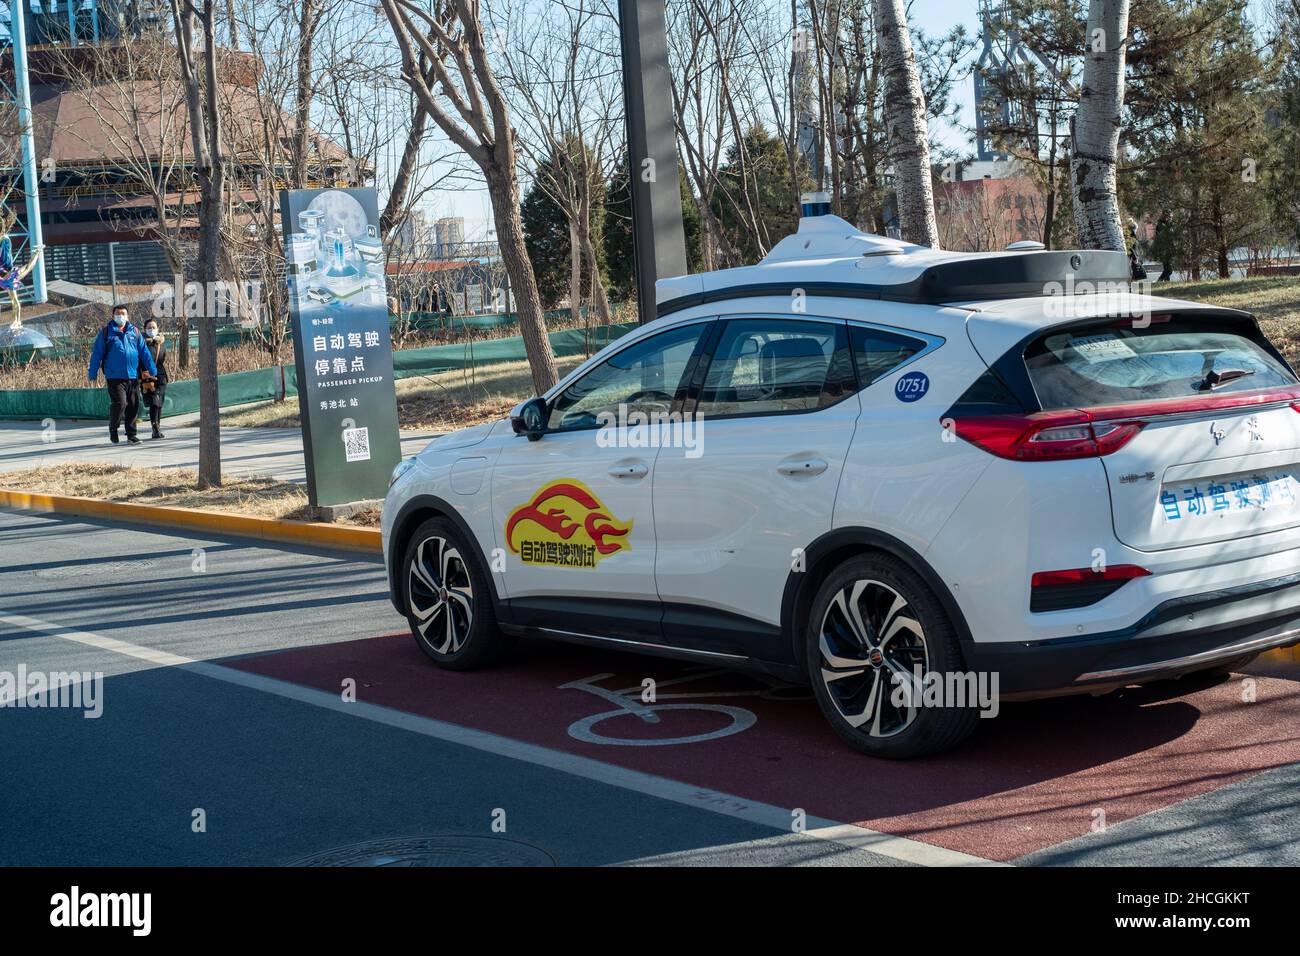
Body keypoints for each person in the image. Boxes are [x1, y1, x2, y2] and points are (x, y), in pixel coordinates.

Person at [87, 303, 156, 445]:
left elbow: (144, 353)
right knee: (120, 403)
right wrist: (92, 372)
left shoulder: (134, 332)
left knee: (133, 404)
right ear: (113, 316)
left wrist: (152, 370)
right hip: (114, 377)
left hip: (132, 376)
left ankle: (131, 434)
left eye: (123, 313)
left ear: (127, 315)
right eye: (118, 313)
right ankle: (113, 428)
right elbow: (96, 354)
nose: (121, 316)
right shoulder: (106, 332)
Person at [139, 319, 169, 439]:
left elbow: (163, 359)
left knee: (159, 403)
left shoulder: (161, 343)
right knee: (154, 403)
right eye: (149, 327)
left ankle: (157, 427)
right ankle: (155, 429)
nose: (152, 329)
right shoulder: (141, 343)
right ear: (145, 329)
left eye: (154, 327)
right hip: (147, 378)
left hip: (161, 377)